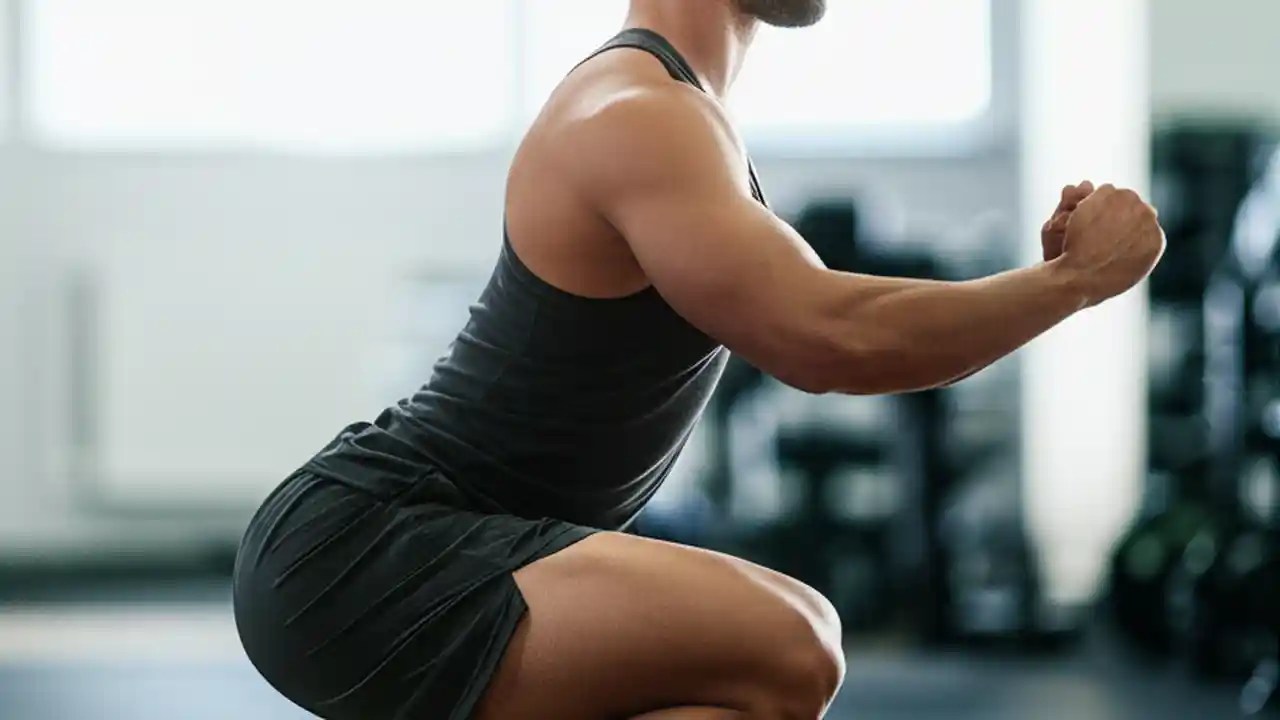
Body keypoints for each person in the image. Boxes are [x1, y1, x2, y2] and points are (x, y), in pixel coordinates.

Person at [231, 1, 1166, 718]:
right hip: (369, 551)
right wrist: (1073, 284)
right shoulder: (638, 113)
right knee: (790, 641)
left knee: (734, 692)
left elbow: (845, 320)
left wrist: (1050, 283)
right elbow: (833, 336)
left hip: (432, 546)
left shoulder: (682, 113)